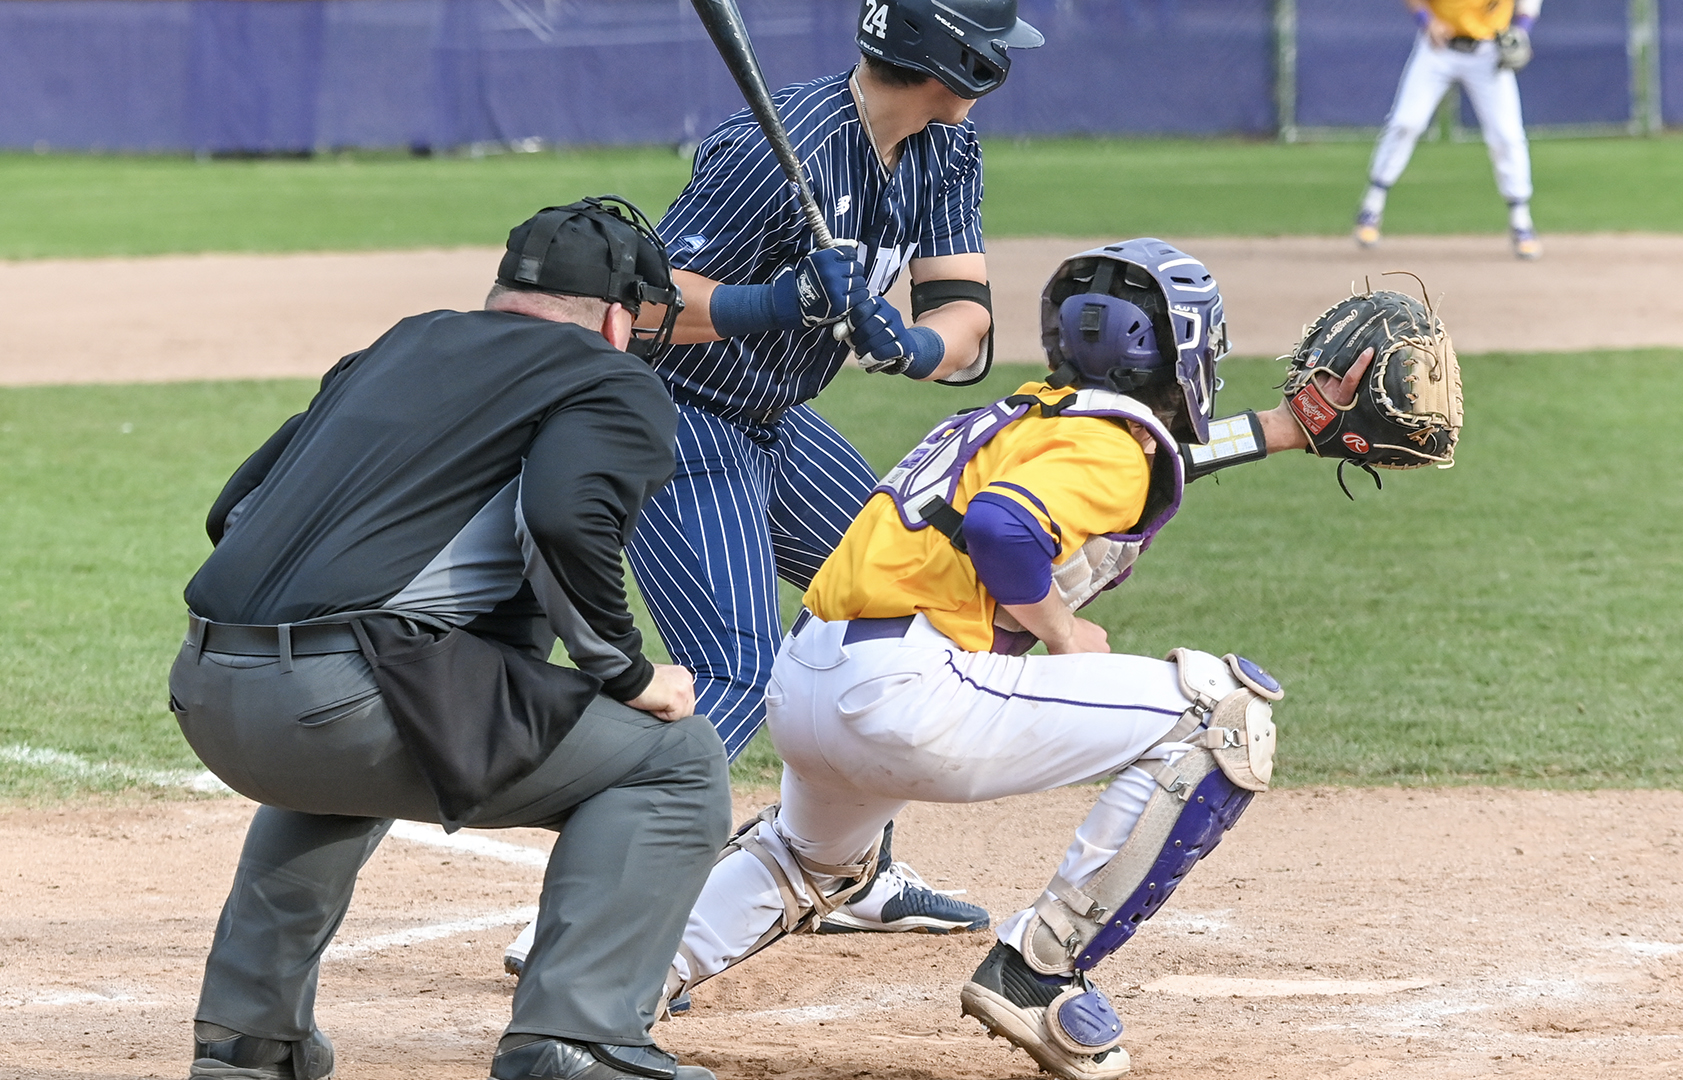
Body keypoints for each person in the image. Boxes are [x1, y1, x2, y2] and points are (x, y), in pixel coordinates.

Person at [646, 240, 1374, 1080]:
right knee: (1219, 720)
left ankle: (615, 983)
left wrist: (1288, 430)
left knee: (809, 858)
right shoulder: (1106, 446)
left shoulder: (1033, 416)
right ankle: (1040, 970)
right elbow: (1004, 527)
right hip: (909, 694)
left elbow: (1144, 465)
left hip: (812, 678)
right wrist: (1061, 628)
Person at [504, 0, 1043, 971]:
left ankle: (853, 869)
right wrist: (779, 301)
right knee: (735, 670)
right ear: (951, 59)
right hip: (672, 414)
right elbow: (638, 305)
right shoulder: (778, 150)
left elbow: (967, 320)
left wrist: (912, 342)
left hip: (770, 418)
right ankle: (590, 907)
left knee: (913, 584)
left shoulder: (941, 149)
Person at [169, 197, 731, 1080]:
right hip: (337, 697)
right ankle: (575, 1037)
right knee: (678, 759)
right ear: (620, 317)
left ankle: (248, 1038)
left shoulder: (400, 344)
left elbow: (234, 512)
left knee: (356, 766)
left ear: (503, 291)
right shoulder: (611, 376)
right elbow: (562, 520)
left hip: (206, 688)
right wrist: (625, 673)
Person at [1353, 0, 1545, 260]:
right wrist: (1426, 20)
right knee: (1406, 123)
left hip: (1489, 51)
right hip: (1438, 48)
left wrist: (1522, 29)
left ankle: (1521, 221)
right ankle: (1372, 206)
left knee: (1507, 136)